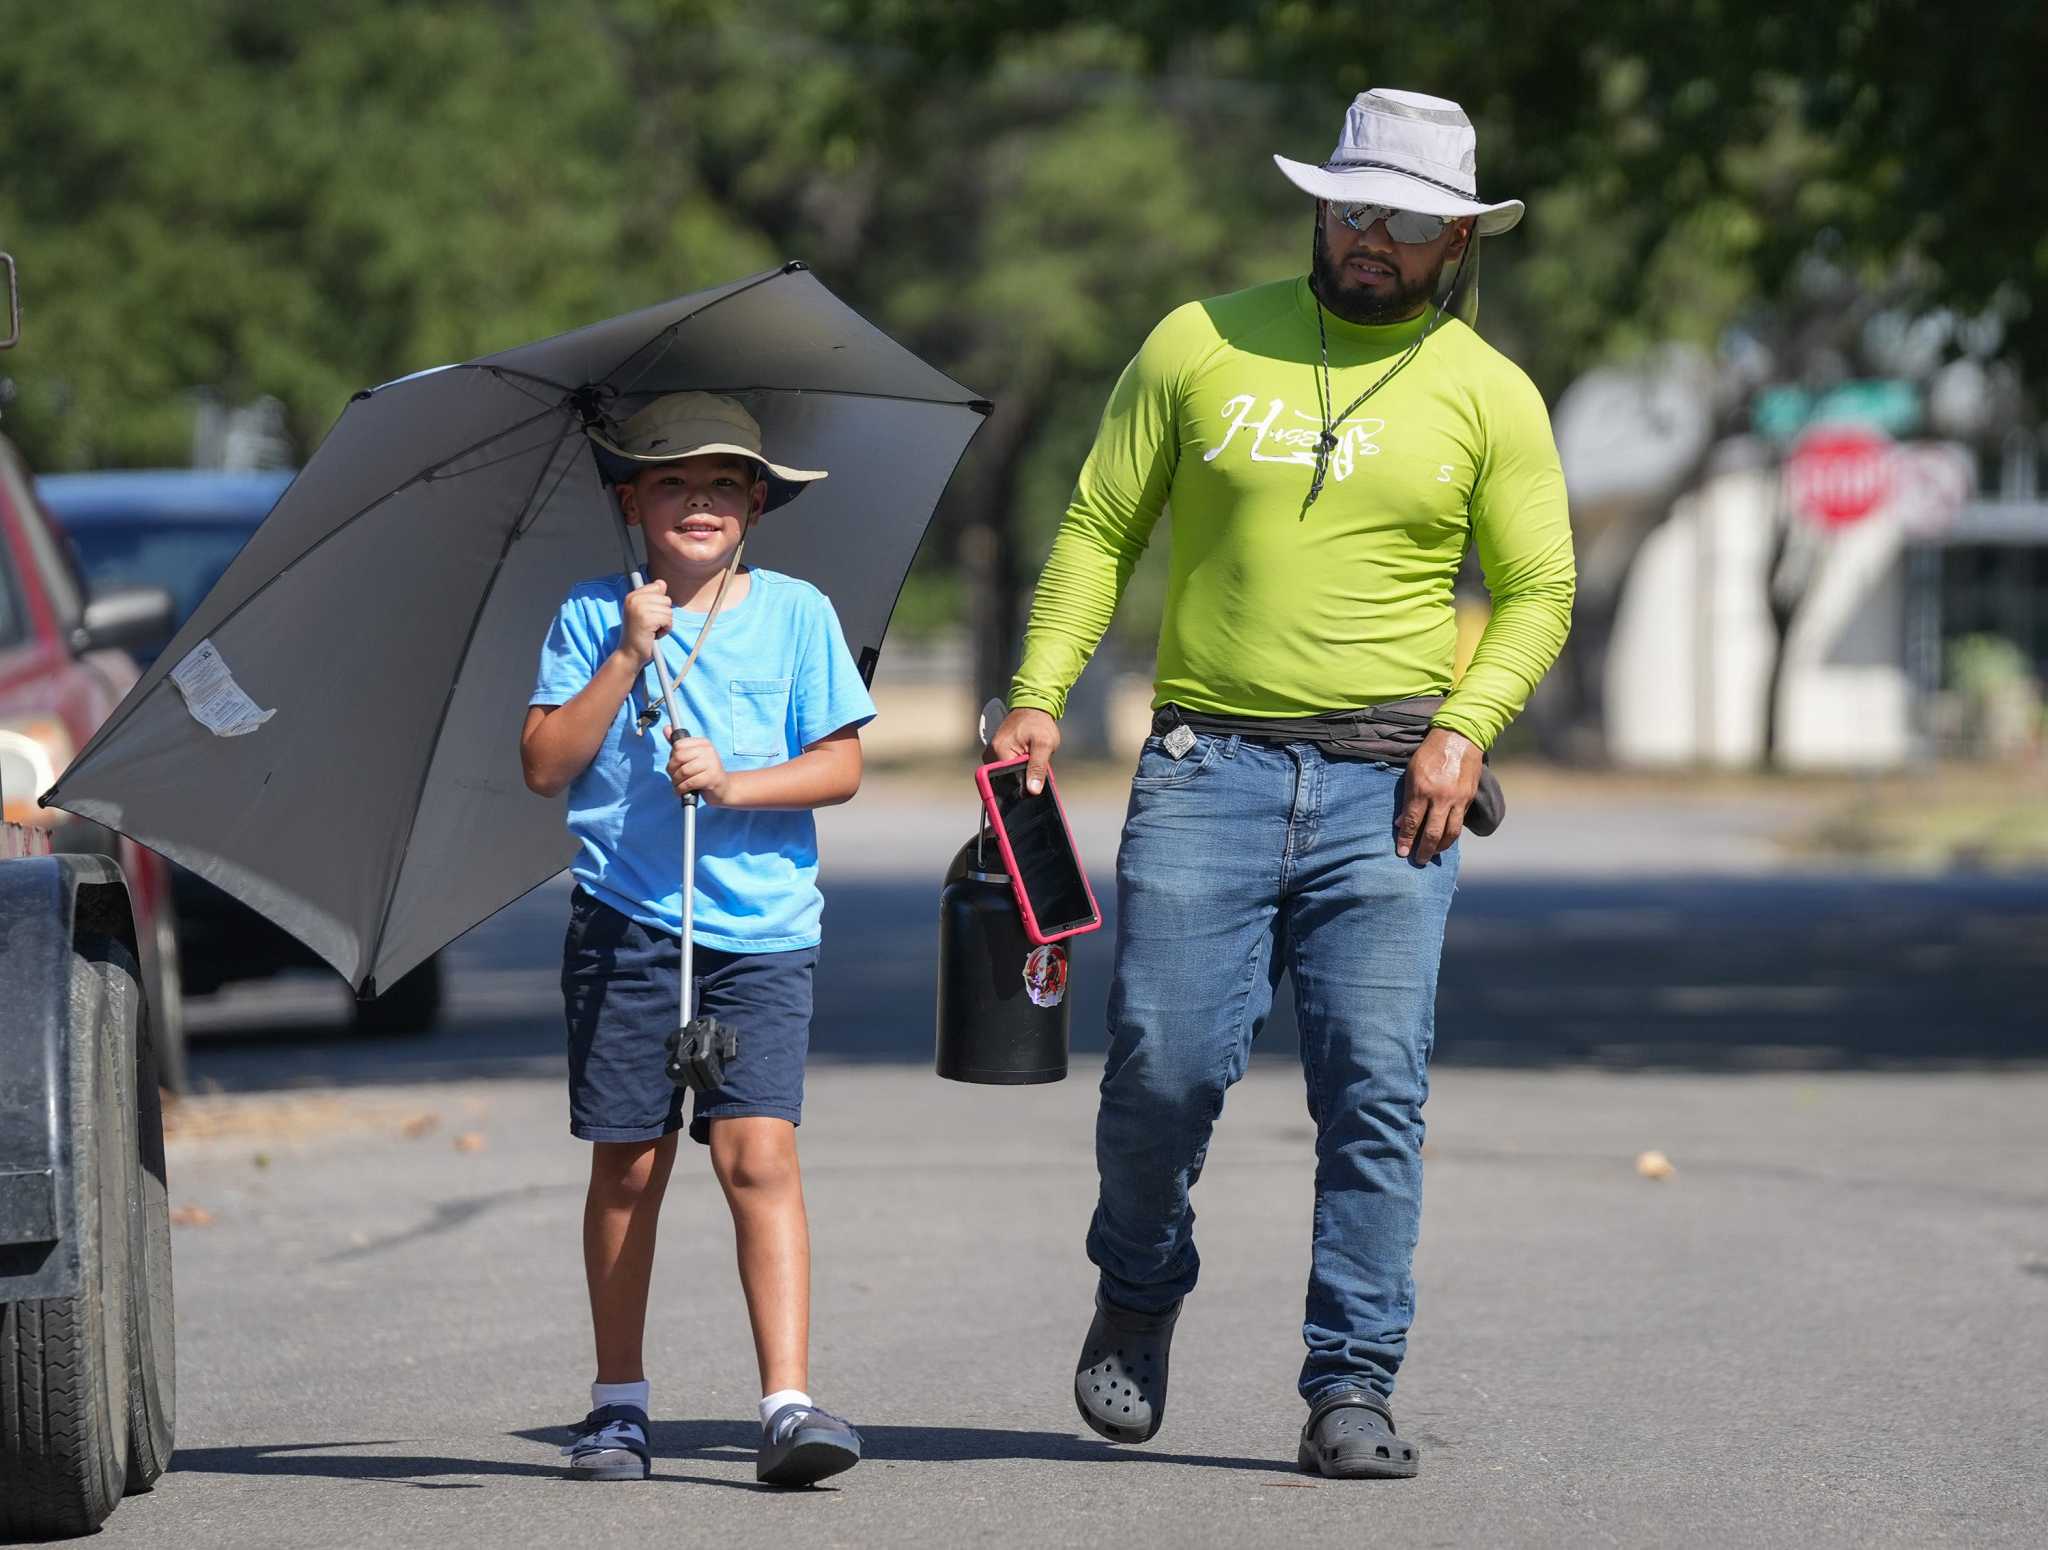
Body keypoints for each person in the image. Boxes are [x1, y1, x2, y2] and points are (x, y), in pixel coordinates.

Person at [989, 88, 1576, 1478]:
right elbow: (1097, 522)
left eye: (1409, 222)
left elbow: (1542, 584)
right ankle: (1139, 1283)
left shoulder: (1490, 392)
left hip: (1393, 781)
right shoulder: (1199, 342)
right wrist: (1037, 691)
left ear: (1458, 242)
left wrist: (1469, 723)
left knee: (1375, 1084)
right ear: (1320, 204)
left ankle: (1352, 1381)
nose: (1372, 238)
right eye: (1353, 207)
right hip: (1209, 766)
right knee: (1164, 1068)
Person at [521, 391, 876, 1486]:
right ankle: (617, 1404)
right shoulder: (593, 613)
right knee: (629, 1162)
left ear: (757, 507)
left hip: (760, 930)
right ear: (631, 501)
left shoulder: (798, 612)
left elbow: (841, 766)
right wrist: (626, 655)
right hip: (627, 923)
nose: (700, 502)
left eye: (725, 485)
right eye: (673, 482)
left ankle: (786, 1402)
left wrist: (734, 781)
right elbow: (544, 761)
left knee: (755, 1153)